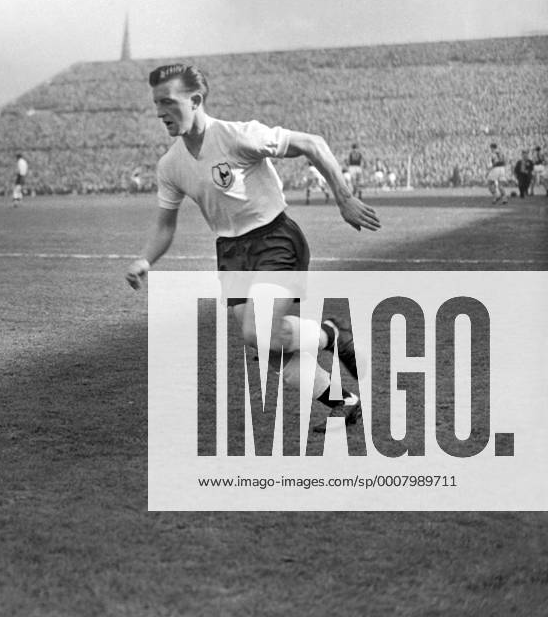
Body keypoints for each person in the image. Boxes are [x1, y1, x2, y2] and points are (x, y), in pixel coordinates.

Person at [125, 64, 381, 432]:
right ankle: (346, 403)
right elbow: (165, 225)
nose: (159, 112)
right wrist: (145, 259)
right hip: (230, 253)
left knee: (256, 332)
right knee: (276, 354)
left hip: (273, 238)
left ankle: (331, 333)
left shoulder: (237, 136)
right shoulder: (171, 165)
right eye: (156, 103)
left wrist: (344, 198)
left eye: (168, 102)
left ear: (196, 100)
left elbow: (313, 144)